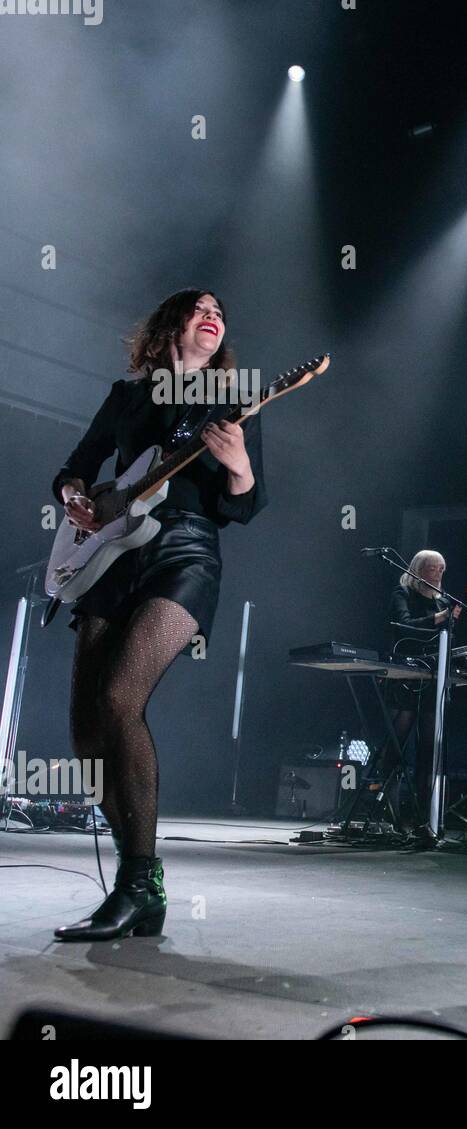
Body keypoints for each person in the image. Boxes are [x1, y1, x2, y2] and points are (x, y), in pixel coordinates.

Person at [51, 289, 266, 941]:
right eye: (200, 305)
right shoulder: (125, 398)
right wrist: (74, 496)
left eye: (222, 309)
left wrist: (237, 466)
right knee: (87, 740)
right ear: (171, 323)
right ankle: (139, 879)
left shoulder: (234, 401)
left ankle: (138, 881)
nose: (215, 312)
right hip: (114, 552)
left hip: (185, 552)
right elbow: (77, 466)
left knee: (121, 698)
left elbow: (248, 505)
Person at [387, 550, 467, 834]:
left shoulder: (443, 600)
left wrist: (465, 660)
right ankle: (388, 808)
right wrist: (440, 618)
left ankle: (423, 815)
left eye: (442, 569)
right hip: (404, 674)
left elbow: (445, 643)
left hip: (433, 678)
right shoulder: (402, 592)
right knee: (397, 741)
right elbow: (403, 626)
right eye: (432, 568)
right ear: (418, 568)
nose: (437, 574)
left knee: (430, 748)